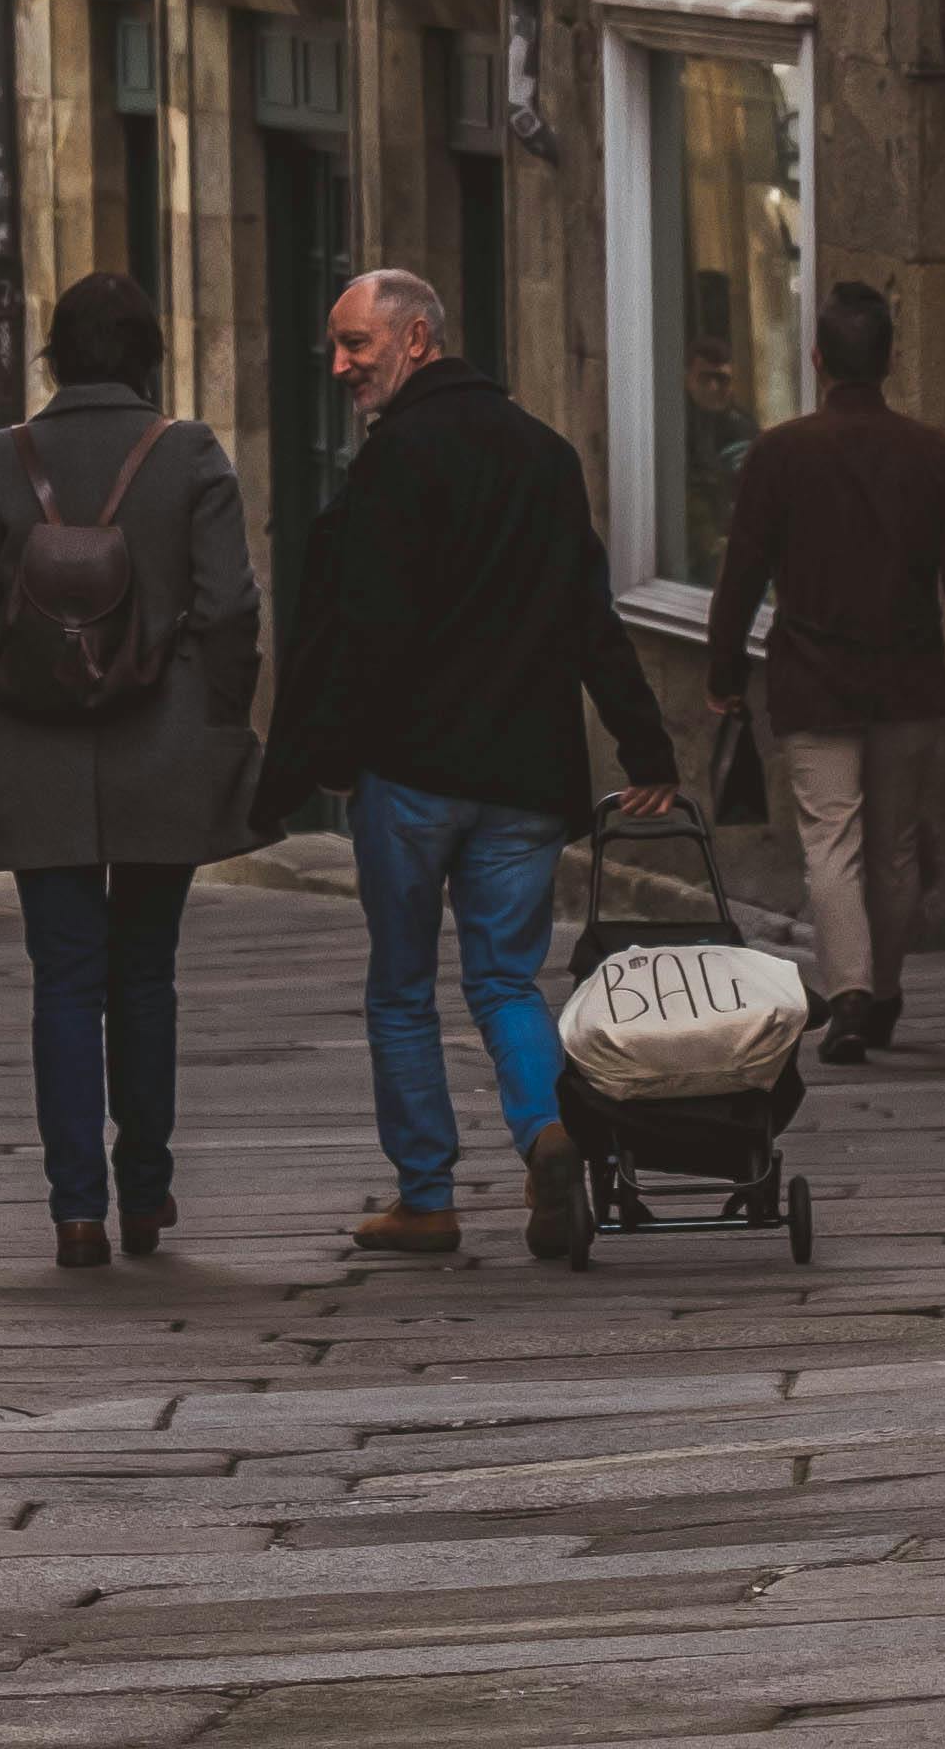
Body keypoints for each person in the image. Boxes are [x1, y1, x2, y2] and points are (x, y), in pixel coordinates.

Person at [254, 267, 681, 1266]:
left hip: (412, 774)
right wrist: (644, 743)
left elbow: (360, 632)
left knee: (401, 985)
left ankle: (428, 1197)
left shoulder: (395, 461)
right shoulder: (543, 455)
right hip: (523, 777)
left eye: (355, 343)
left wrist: (304, 764)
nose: (339, 365)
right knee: (503, 978)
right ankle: (545, 1130)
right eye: (335, 344)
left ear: (416, 339)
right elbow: (590, 613)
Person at [0, 272, 262, 1270]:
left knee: (63, 980)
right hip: (159, 745)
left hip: (33, 747)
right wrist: (216, 720)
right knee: (146, 972)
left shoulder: (0, 459)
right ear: (145, 352)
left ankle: (74, 1206)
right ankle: (147, 1188)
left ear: (53, 354)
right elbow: (231, 606)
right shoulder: (189, 452)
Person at [702, 278, 945, 1065]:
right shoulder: (935, 456)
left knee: (828, 839)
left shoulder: (778, 453)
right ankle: (882, 991)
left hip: (811, 674)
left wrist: (724, 668)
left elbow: (741, 571)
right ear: (890, 359)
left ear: (817, 359)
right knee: (895, 848)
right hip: (904, 676)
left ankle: (845, 991)